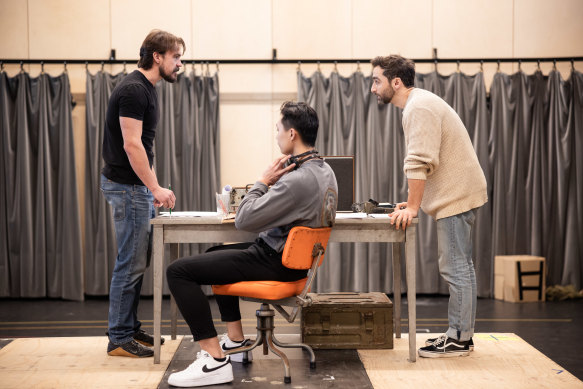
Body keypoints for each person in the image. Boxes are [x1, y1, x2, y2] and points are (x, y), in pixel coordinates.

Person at [165, 101, 338, 387]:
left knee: (178, 272)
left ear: (292, 134)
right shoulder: (325, 171)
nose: (276, 136)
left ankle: (214, 360)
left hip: (274, 261)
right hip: (293, 264)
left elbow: (244, 218)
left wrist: (263, 181)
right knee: (213, 254)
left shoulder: (296, 180)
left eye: (278, 130)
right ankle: (234, 341)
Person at [370, 55, 488, 358]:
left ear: (395, 82)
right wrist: (411, 203)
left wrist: (412, 207)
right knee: (462, 265)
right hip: (459, 192)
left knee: (455, 266)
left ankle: (459, 339)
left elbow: (419, 161)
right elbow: (424, 161)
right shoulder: (418, 103)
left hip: (456, 195)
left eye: (376, 81)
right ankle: (462, 334)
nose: (372, 88)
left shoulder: (418, 107)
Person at [101, 29, 184, 358]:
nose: (180, 64)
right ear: (157, 57)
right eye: (176, 57)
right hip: (126, 187)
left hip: (133, 187)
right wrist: (155, 188)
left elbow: (142, 148)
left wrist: (150, 188)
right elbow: (132, 145)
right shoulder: (135, 89)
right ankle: (119, 337)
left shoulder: (145, 88)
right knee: (130, 262)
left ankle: (129, 328)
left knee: (137, 260)